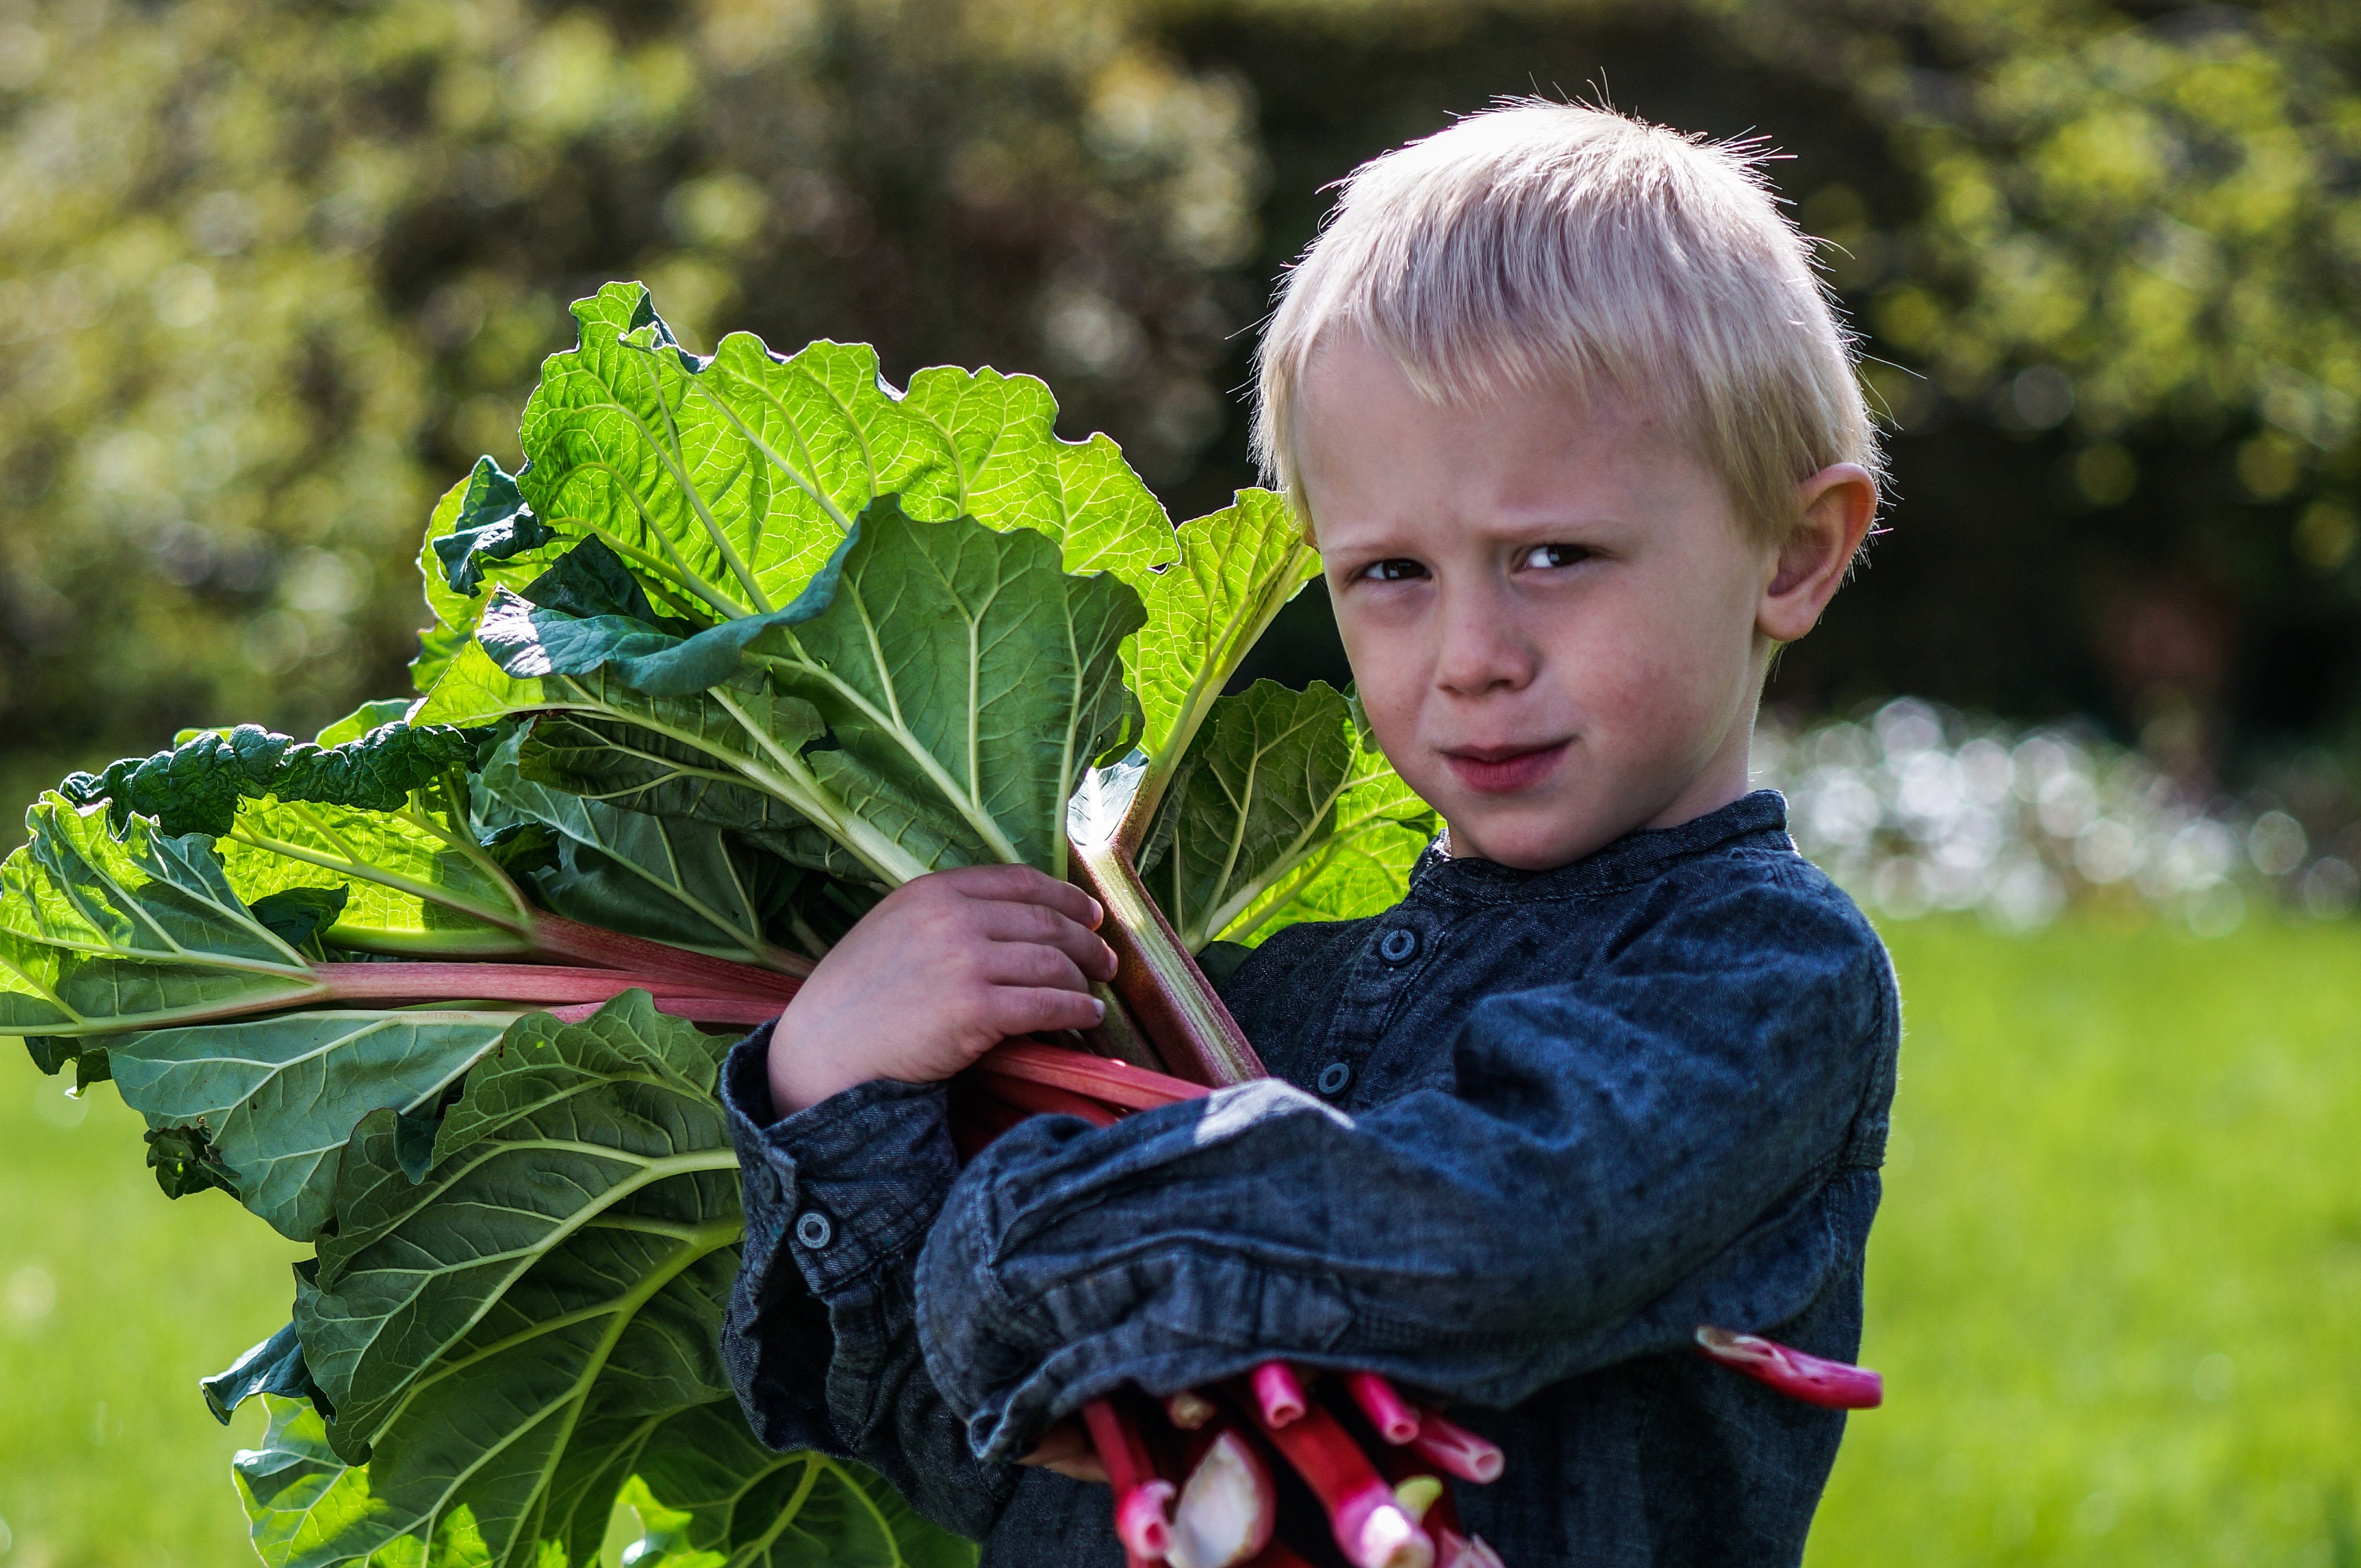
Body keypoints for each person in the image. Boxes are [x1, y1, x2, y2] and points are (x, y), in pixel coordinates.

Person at [719, 98, 1900, 1566]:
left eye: (1553, 555)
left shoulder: (1761, 975)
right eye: (1392, 569)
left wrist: (1011, 1226)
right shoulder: (1253, 1000)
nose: (1471, 650)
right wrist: (833, 1089)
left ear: (1794, 553)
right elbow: (965, 1439)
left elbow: (1492, 1237)